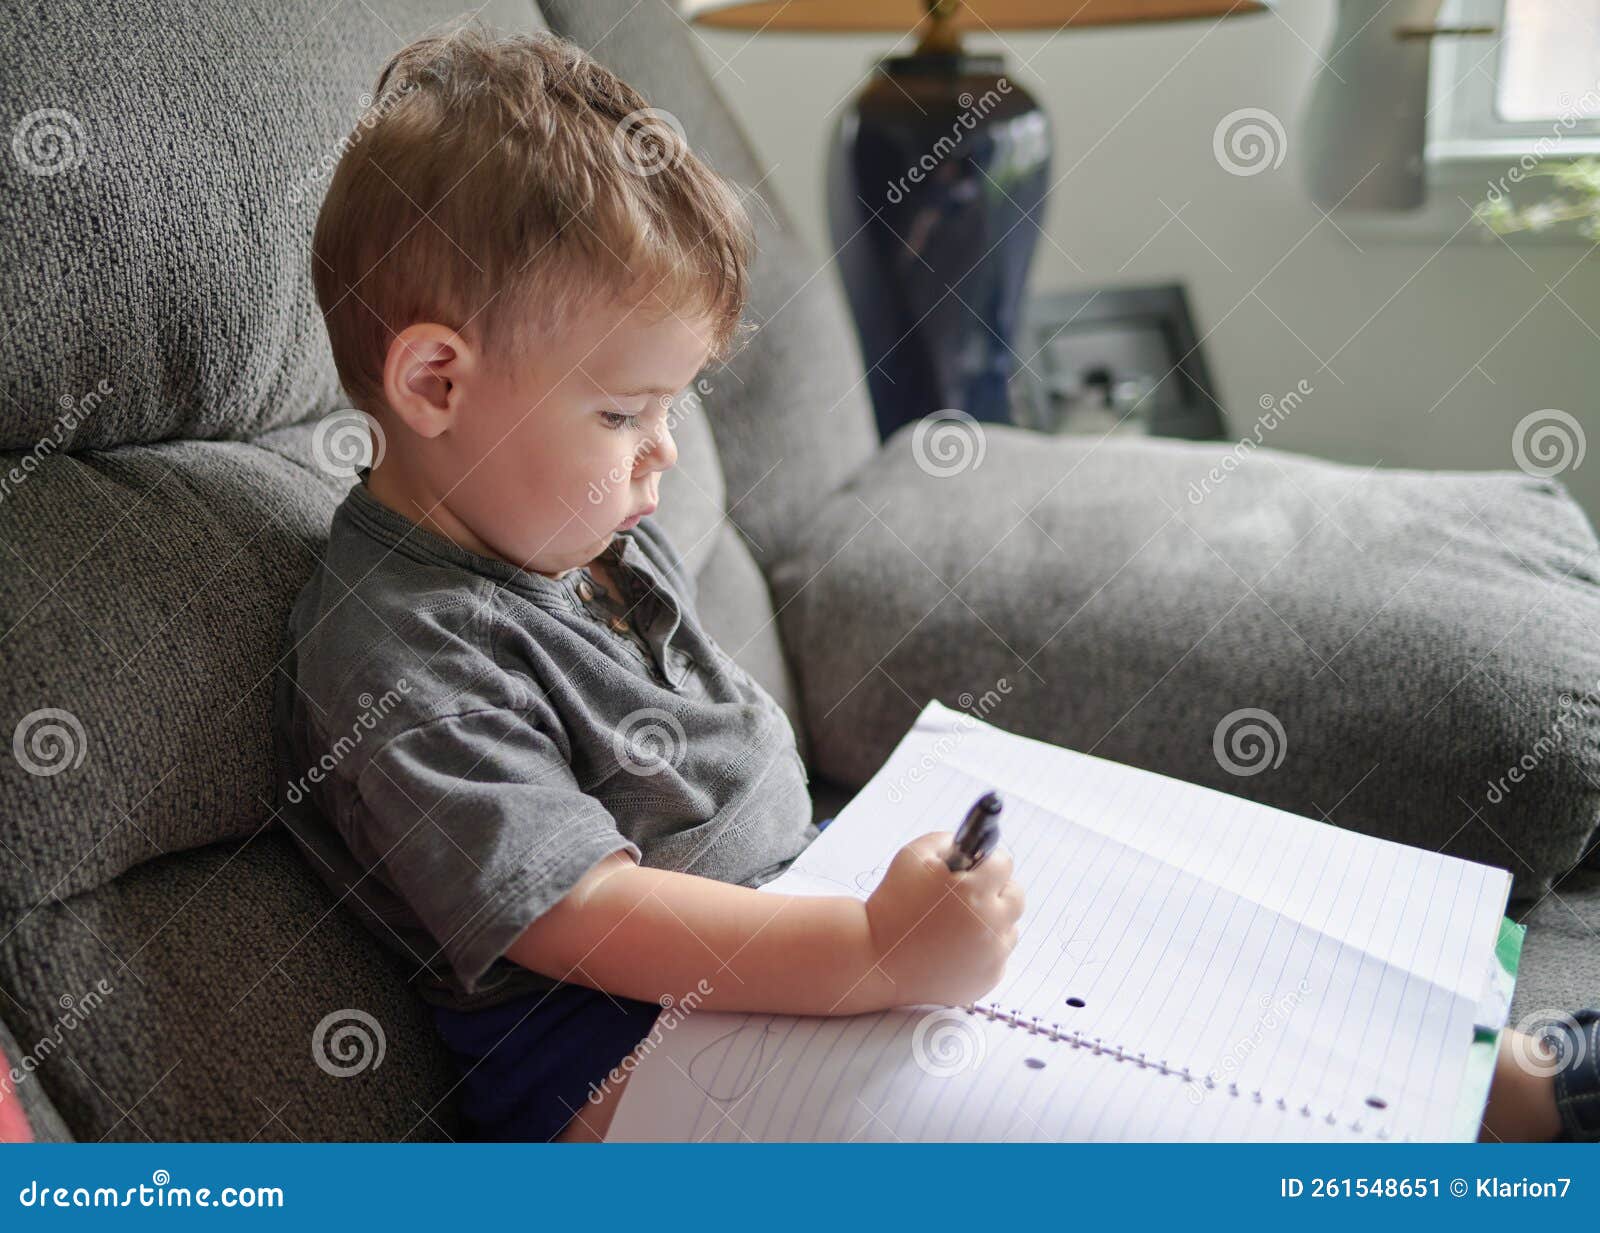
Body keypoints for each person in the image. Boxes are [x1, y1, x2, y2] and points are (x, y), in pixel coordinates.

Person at [271, 24, 1596, 1145]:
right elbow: (584, 914)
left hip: (792, 923)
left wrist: (871, 933)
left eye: (675, 406)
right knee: (1098, 1115)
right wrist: (870, 956)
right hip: (622, 1066)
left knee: (1153, 952)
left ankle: (1511, 1087)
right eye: (624, 413)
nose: (664, 450)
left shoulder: (583, 533)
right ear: (435, 383)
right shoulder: (396, 651)